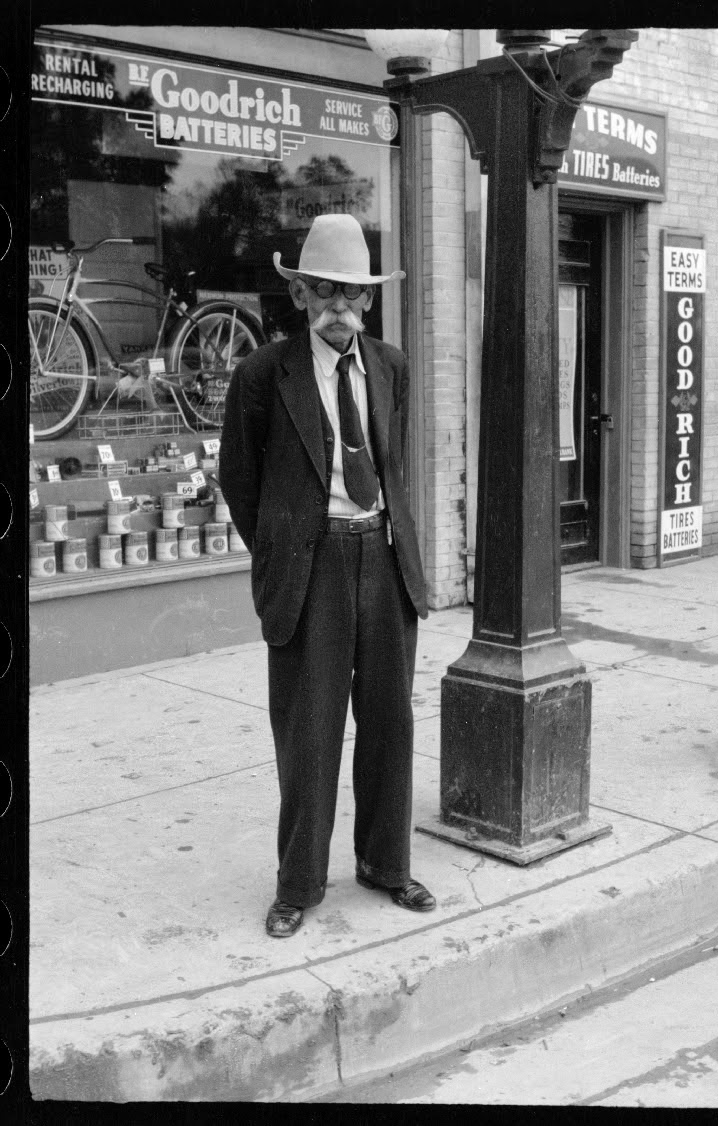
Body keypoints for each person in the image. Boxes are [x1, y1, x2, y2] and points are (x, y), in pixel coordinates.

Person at [220, 213, 435, 938]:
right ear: (300, 297)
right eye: (323, 292)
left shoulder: (391, 366)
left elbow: (395, 463)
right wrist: (284, 551)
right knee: (308, 735)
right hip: (309, 570)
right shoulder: (261, 373)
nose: (337, 306)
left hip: (381, 560)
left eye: (350, 293)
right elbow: (239, 480)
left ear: (368, 300)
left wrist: (393, 538)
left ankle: (387, 867)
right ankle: (299, 885)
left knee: (388, 726)